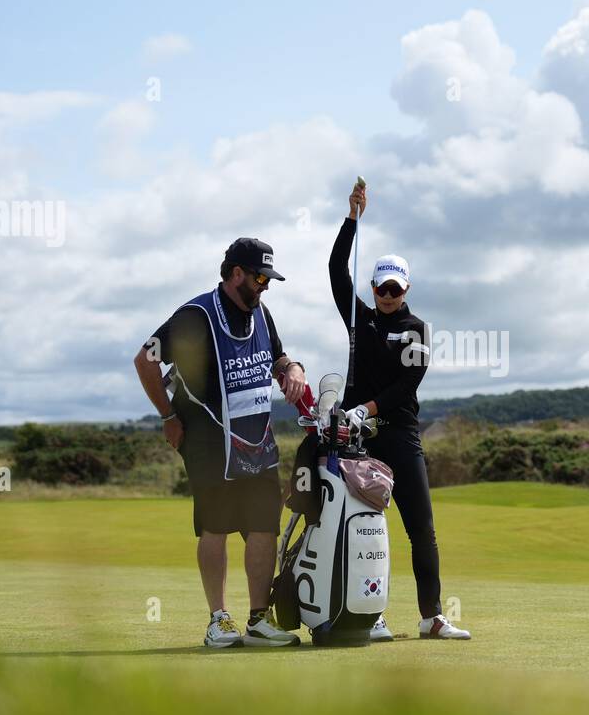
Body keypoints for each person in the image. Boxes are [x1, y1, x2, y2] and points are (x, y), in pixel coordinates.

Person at [133, 237, 308, 648]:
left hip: (257, 439)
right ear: (236, 274)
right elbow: (146, 360)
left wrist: (292, 367)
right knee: (215, 526)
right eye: (260, 278)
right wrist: (168, 416)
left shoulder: (261, 313)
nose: (265, 286)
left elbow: (278, 357)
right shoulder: (195, 316)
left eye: (269, 279)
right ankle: (219, 620)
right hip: (208, 437)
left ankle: (259, 620)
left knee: (264, 525)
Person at [328, 180, 471, 640]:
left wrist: (364, 410)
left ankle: (432, 616)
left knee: (421, 530)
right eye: (381, 287)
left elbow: (406, 384)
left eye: (395, 288)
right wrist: (352, 220)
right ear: (371, 287)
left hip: (398, 435)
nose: (387, 294)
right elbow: (335, 269)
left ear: (406, 287)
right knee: (364, 528)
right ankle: (371, 615)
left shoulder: (417, 329)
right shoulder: (359, 317)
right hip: (360, 441)